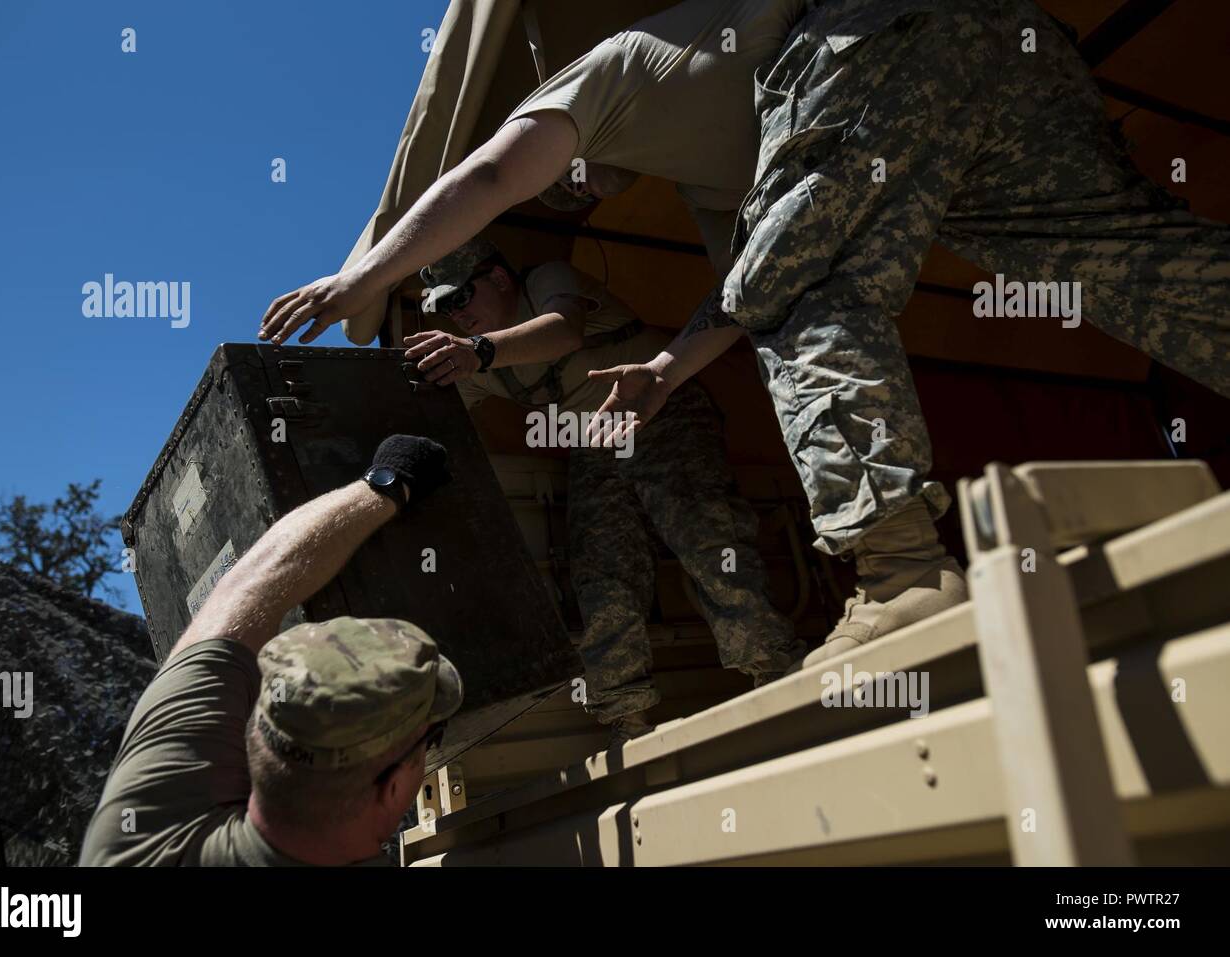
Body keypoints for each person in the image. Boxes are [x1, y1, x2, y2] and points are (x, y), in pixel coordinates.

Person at [258, 0, 1230, 671]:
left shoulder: (603, 76)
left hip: (861, 39)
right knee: (1112, 255)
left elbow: (482, 182)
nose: (578, 191)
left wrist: (364, 274)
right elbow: (742, 292)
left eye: (574, 176)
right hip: (991, 46)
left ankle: (898, 576)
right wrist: (669, 369)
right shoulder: (725, 181)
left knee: (803, 278)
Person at [407, 236, 803, 744]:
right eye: (446, 308)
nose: (457, 316)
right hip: (593, 441)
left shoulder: (545, 280)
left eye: (461, 297)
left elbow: (564, 332)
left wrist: (479, 353)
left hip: (661, 413)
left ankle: (776, 673)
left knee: (707, 539)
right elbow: (436, 422)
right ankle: (625, 716)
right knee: (601, 568)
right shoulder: (480, 369)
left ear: (499, 279)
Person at [80, 435, 460, 866]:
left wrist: (388, 483)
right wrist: (389, 483)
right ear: (393, 789)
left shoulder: (140, 842)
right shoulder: (130, 845)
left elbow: (246, 589)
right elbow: (253, 583)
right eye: (430, 738)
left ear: (255, 734)